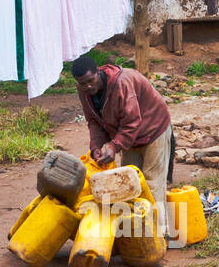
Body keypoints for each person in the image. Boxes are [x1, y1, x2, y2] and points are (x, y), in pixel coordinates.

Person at [71, 54, 174, 235]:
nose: (88, 86)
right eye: (82, 83)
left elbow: (132, 122)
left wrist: (113, 146)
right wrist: (96, 147)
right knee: (128, 184)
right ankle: (135, 233)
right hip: (129, 136)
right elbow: (94, 121)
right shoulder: (84, 91)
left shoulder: (122, 82)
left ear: (98, 73)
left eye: (90, 80)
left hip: (154, 128)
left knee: (152, 182)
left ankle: (159, 234)